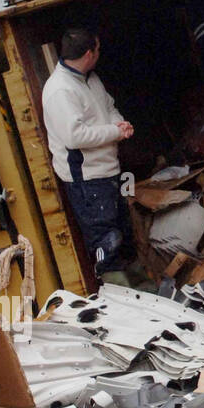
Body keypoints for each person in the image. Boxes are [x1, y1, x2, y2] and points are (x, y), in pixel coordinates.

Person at [41, 28, 136, 282]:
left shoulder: (90, 78)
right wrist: (114, 132)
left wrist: (120, 124)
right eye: (97, 49)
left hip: (111, 171)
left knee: (125, 234)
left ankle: (142, 287)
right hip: (88, 180)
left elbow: (109, 106)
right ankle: (118, 292)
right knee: (107, 241)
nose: (99, 54)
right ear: (88, 53)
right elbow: (75, 137)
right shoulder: (59, 90)